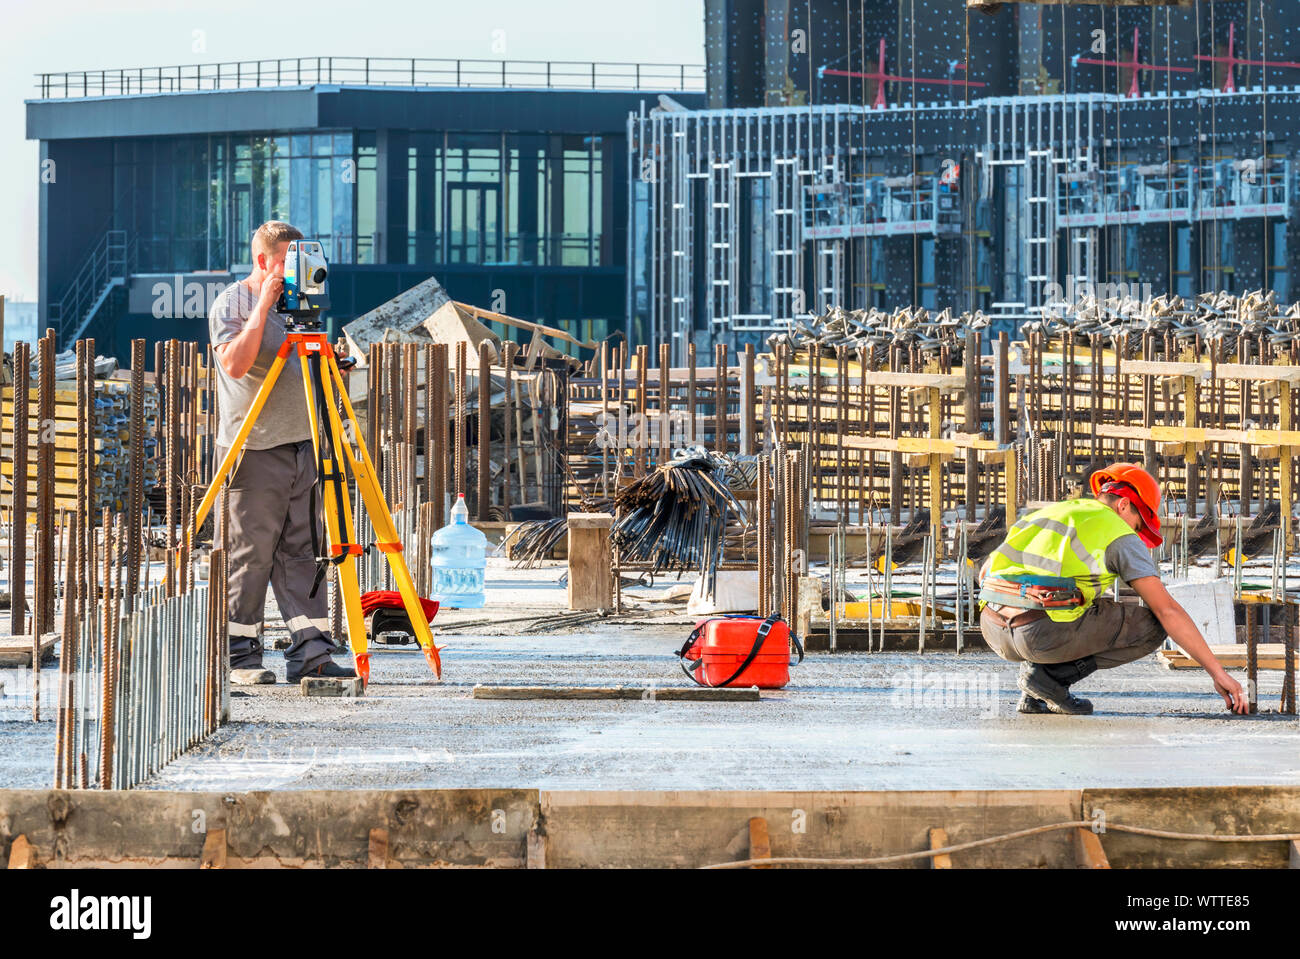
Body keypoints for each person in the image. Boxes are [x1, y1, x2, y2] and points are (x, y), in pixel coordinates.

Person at [208, 220, 356, 685]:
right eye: (288, 264)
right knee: (246, 555)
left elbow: (302, 370)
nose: (298, 275)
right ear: (263, 262)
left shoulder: (301, 307)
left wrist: (332, 365)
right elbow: (234, 363)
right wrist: (265, 304)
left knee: (303, 553)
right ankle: (238, 657)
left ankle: (311, 654)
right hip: (253, 447)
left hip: (304, 444)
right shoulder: (234, 302)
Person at [977, 462, 1248, 716]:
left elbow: (985, 572)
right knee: (1152, 625)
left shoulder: (1050, 513)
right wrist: (1217, 673)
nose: (1137, 534)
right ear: (1124, 505)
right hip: (1039, 634)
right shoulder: (1116, 531)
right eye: (1139, 525)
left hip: (992, 627)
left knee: (1080, 602)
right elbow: (1167, 610)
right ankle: (1050, 679)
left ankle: (1036, 694)